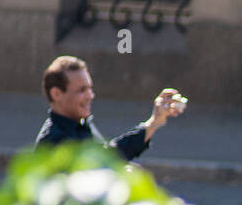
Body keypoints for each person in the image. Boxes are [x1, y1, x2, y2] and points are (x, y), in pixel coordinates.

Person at [34, 55, 186, 161]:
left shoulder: (80, 124)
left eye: (90, 89)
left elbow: (109, 156)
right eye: (81, 90)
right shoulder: (53, 142)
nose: (90, 96)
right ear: (57, 94)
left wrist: (154, 122)